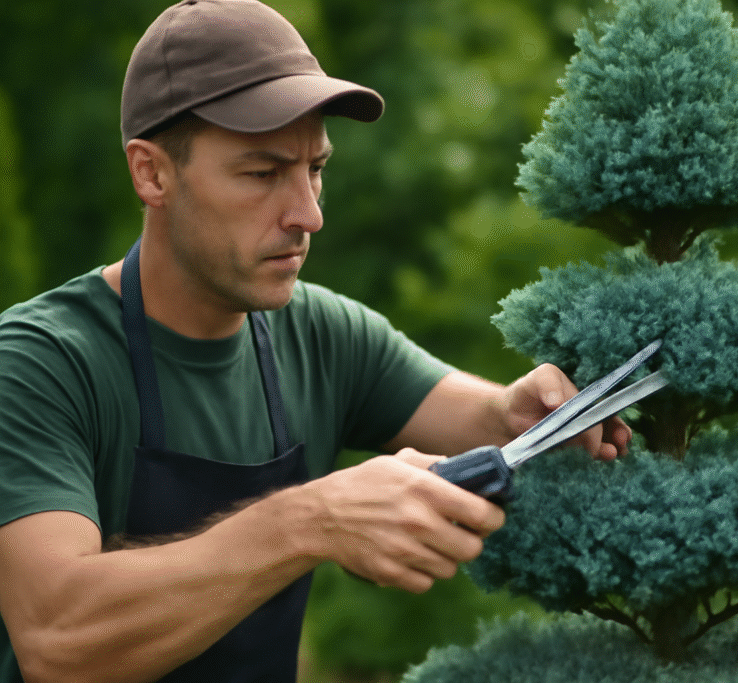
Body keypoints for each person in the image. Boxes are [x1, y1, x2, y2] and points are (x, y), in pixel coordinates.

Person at [0, 1, 631, 681]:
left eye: (316, 169)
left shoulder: (321, 333)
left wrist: (529, 413)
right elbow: (57, 636)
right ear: (152, 173)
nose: (308, 213)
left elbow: (485, 418)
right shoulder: (40, 364)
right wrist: (308, 519)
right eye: (263, 174)